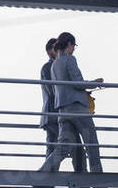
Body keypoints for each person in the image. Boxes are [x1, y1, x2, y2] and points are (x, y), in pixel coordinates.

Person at [38, 31, 103, 174]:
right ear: (69, 44)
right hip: (78, 109)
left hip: (62, 111)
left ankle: (43, 172)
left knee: (63, 147)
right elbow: (78, 83)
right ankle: (98, 180)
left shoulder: (54, 65)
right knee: (91, 143)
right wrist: (94, 83)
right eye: (74, 45)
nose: (74, 49)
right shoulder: (70, 59)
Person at [40, 37, 85, 171]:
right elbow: (55, 91)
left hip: (54, 115)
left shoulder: (53, 66)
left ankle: (46, 181)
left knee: (55, 149)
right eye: (55, 47)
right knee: (75, 147)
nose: (59, 48)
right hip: (56, 113)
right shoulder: (50, 67)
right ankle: (82, 179)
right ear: (49, 51)